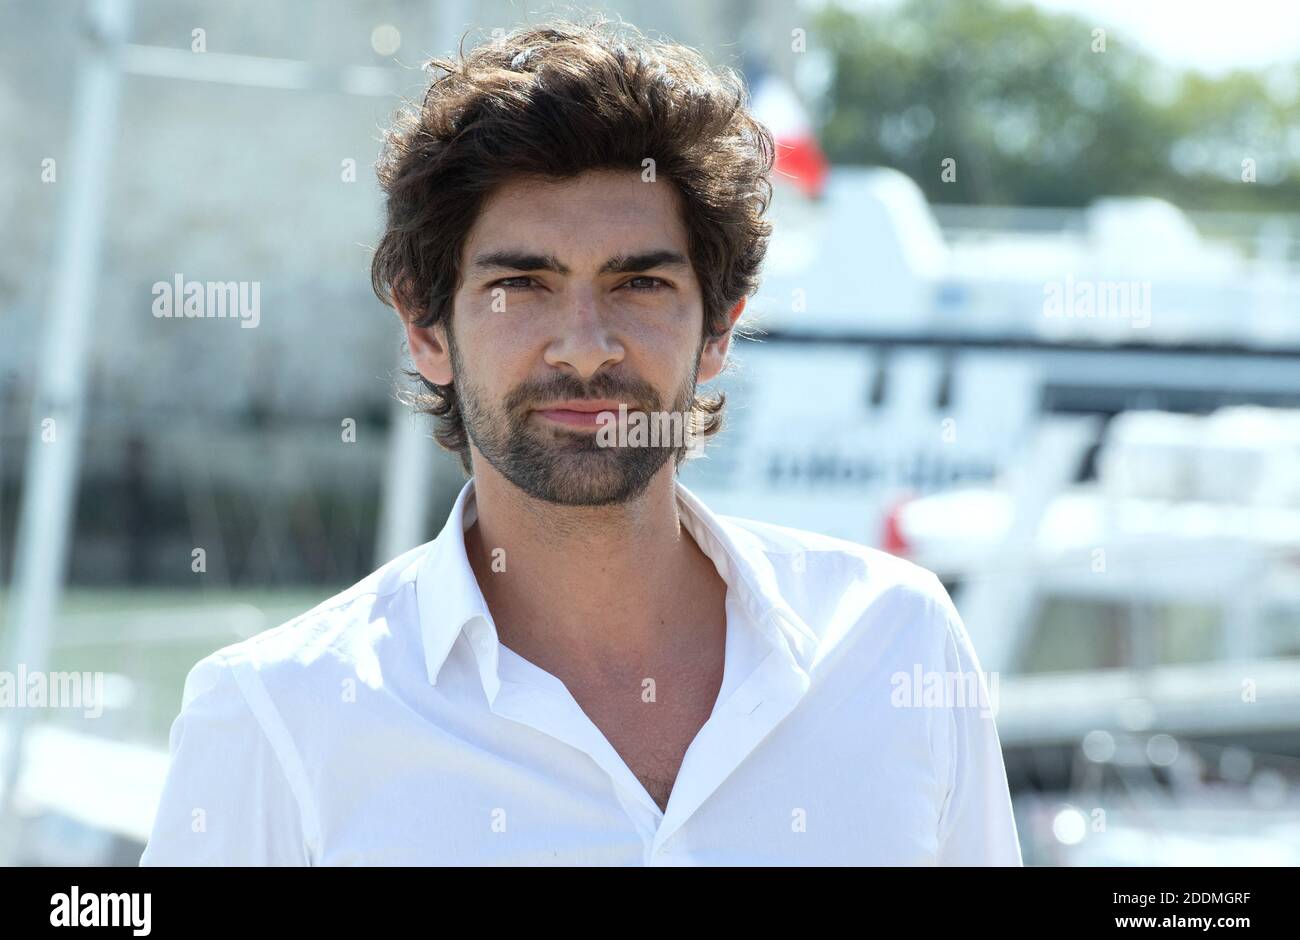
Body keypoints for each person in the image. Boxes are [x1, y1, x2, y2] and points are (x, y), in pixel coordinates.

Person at [140, 16, 1021, 866]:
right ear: (426, 330)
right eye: (522, 283)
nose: (586, 345)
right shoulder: (276, 715)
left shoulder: (897, 642)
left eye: (638, 282)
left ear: (719, 331)